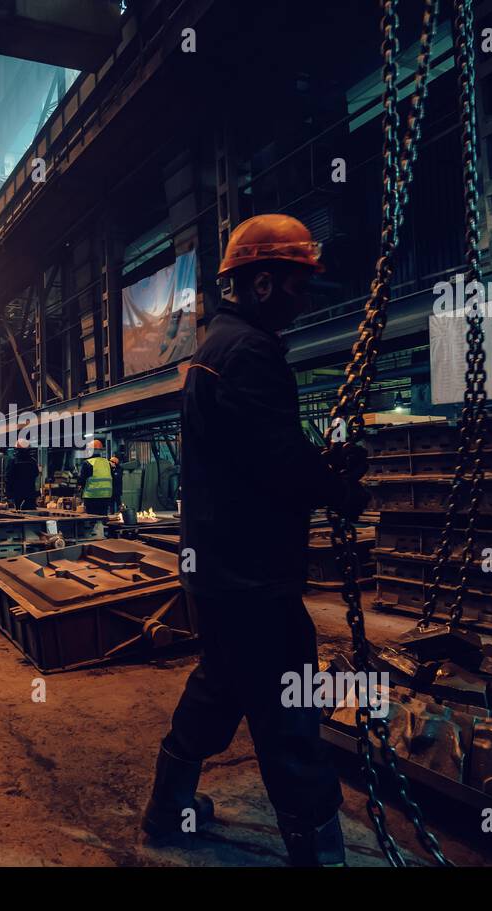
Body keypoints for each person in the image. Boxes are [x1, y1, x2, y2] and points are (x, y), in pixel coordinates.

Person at [140, 214, 369, 866]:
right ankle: (318, 849)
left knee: (222, 683)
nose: (304, 301)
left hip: (217, 569)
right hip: (251, 573)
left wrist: (320, 473)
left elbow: (258, 456)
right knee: (288, 703)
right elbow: (276, 460)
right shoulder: (251, 354)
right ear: (263, 284)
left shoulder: (215, 348)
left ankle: (168, 808)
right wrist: (338, 487)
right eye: (298, 286)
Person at [78, 439, 115, 516]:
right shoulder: (107, 463)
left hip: (92, 498)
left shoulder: (87, 463)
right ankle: (102, 528)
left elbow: (81, 481)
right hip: (106, 497)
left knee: (92, 519)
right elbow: (113, 479)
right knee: (103, 518)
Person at [4, 438, 40, 509]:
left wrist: (8, 494)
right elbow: (36, 474)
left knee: (17, 513)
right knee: (31, 514)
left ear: (17, 450)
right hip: (30, 494)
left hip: (17, 494)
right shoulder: (32, 461)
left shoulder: (13, 461)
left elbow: (8, 478)